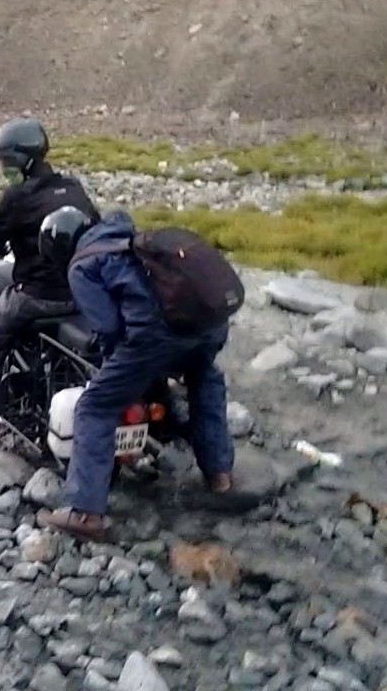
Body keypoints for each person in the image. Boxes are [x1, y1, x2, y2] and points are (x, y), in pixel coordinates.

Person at [34, 206, 236, 540]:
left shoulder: (82, 264)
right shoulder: (129, 240)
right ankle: (219, 475)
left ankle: (85, 513)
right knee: (204, 379)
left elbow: (110, 328)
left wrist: (118, 375)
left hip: (157, 338)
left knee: (95, 406)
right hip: (210, 327)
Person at [0, 118, 99, 449]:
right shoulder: (72, 188)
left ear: (24, 161)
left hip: (40, 296)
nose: (6, 171)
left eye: (8, 164)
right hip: (82, 292)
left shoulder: (19, 196)